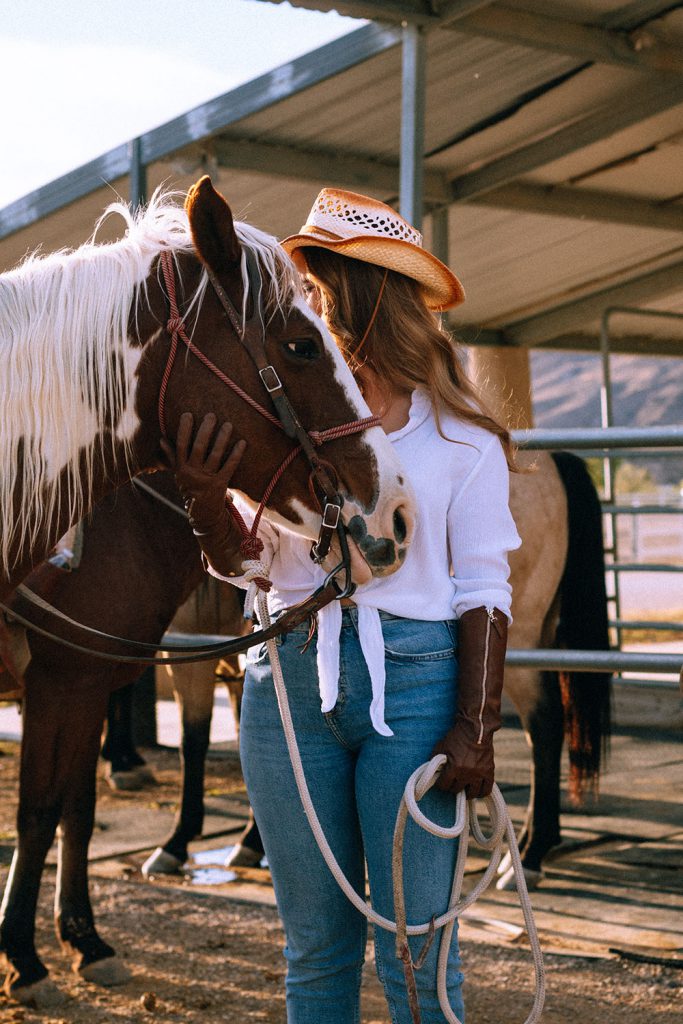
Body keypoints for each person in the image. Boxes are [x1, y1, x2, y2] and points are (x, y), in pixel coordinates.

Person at [164, 189, 521, 1024]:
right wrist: (206, 501)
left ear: (363, 300)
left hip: (419, 686)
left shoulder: (463, 441)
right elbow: (247, 569)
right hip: (286, 686)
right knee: (314, 950)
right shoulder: (290, 430)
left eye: (320, 290)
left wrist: (475, 724)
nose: (307, 306)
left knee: (415, 949)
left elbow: (482, 587)